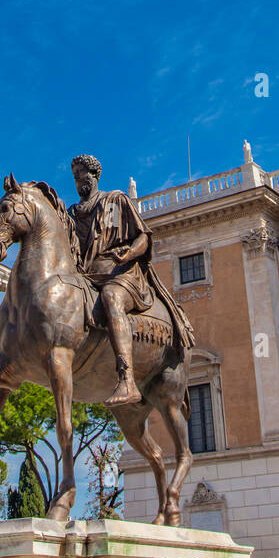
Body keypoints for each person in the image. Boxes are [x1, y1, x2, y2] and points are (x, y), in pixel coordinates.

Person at [68, 153, 194, 407]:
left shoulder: (116, 200)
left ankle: (126, 378)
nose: (77, 179)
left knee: (111, 298)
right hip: (88, 277)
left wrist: (128, 253)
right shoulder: (72, 213)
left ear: (94, 175)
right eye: (74, 176)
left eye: (81, 173)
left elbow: (143, 237)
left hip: (122, 275)